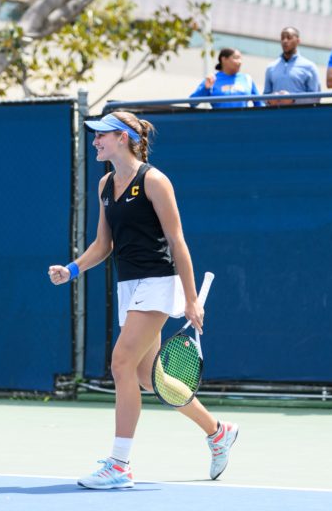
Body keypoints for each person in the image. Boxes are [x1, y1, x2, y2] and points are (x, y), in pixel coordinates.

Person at [48, 112, 238, 490]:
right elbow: (104, 245)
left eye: (101, 136)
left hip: (158, 284)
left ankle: (119, 465)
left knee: (120, 362)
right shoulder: (105, 184)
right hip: (129, 286)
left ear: (121, 138)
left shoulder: (154, 181)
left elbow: (177, 241)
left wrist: (190, 299)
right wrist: (71, 270)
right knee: (148, 376)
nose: (95, 141)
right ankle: (218, 432)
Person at [263, 27, 321, 105]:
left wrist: (293, 100)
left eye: (289, 37)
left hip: (300, 115)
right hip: (276, 115)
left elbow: (315, 98)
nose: (285, 41)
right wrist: (269, 100)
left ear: (298, 41)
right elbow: (265, 96)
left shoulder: (310, 67)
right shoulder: (271, 67)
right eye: (282, 38)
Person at [190, 48, 264, 108]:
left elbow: (259, 104)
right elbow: (192, 103)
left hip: (242, 124)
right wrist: (205, 88)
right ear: (224, 59)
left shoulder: (247, 79)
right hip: (220, 124)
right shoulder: (213, 79)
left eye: (240, 58)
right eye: (236, 58)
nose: (240, 62)